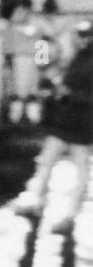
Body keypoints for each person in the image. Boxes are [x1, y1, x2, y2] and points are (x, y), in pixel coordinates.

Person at [14, 20, 93, 236]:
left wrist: (67, 92)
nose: (82, 39)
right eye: (80, 35)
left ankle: (69, 216)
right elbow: (45, 66)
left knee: (80, 172)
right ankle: (36, 202)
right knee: (45, 164)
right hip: (64, 121)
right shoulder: (76, 56)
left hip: (83, 124)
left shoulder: (84, 57)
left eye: (86, 35)